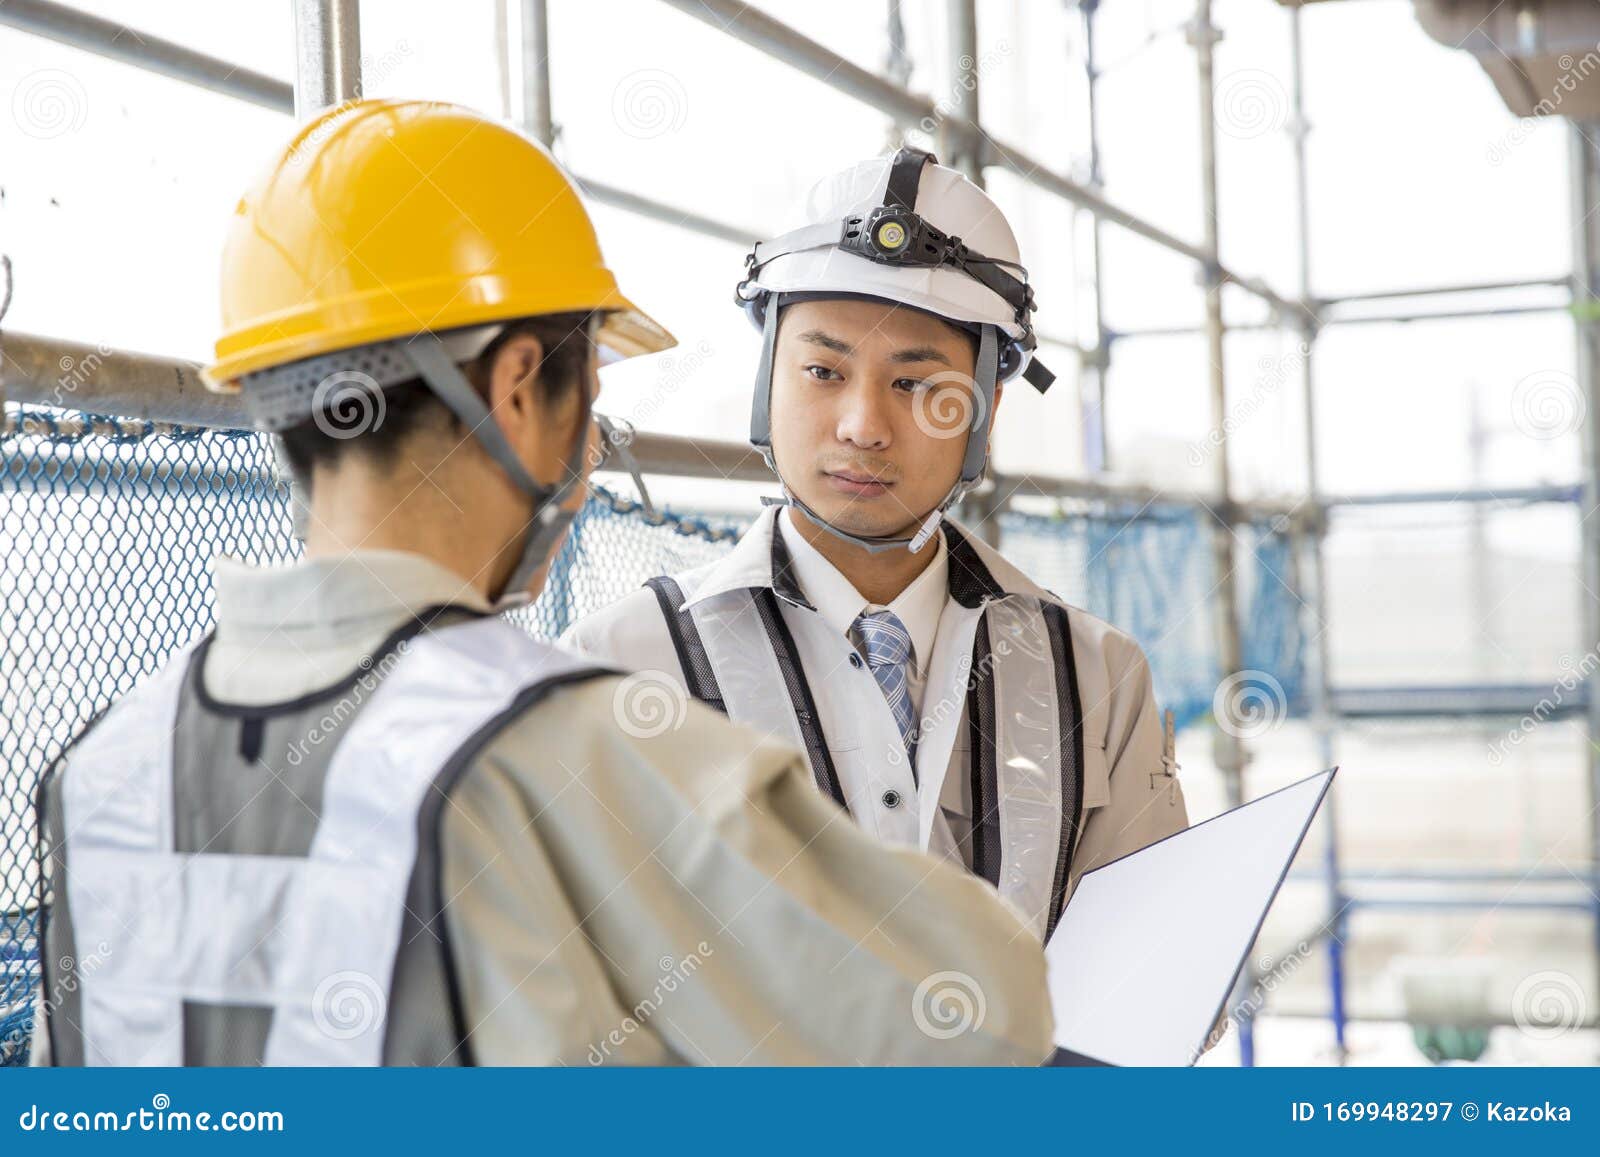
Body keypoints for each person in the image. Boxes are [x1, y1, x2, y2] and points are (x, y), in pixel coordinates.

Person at [28, 103, 1053, 1067]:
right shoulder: (575, 748)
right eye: (590, 402)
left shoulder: (101, 769)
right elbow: (981, 1010)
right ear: (518, 388)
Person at [564, 148, 1191, 945]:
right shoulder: (616, 669)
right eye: (823, 370)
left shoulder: (1096, 678)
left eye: (916, 385)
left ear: (986, 410)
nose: (862, 425)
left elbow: (1154, 980)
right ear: (768, 380)